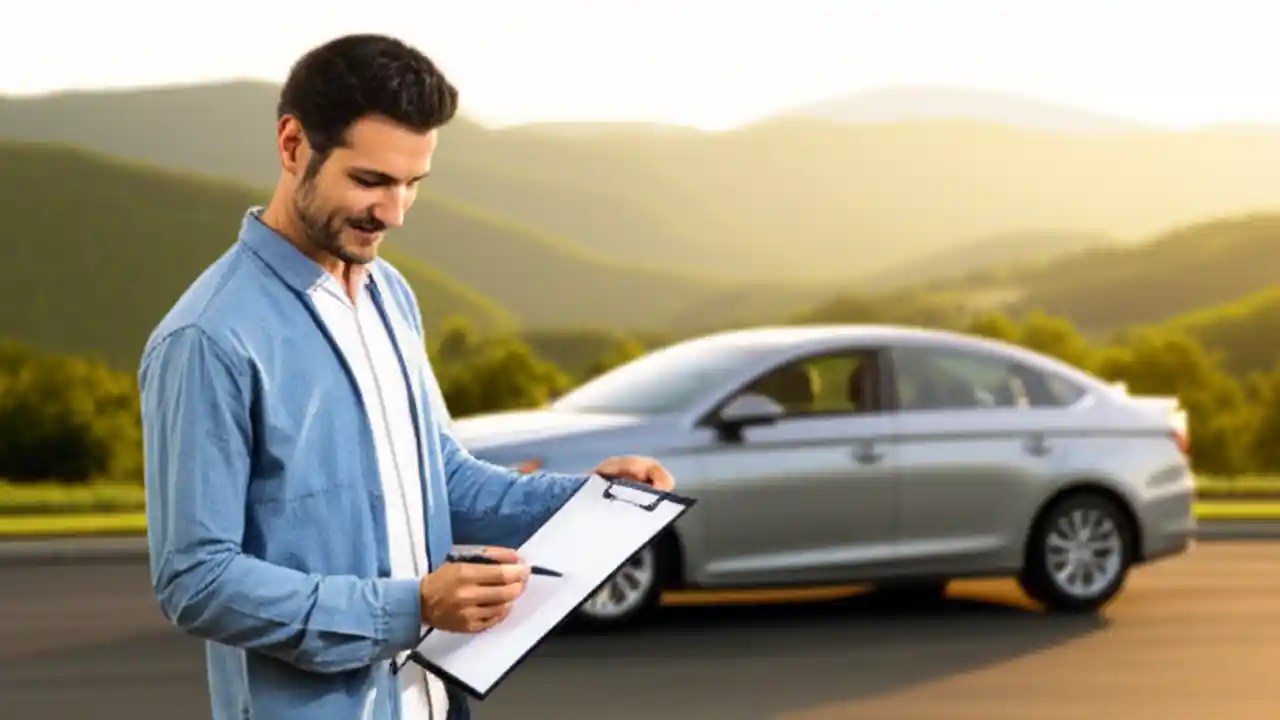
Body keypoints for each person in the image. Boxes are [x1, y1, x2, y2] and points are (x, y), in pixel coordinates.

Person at [137, 33, 675, 720]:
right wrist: (410, 607)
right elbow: (196, 580)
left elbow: (440, 480)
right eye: (370, 181)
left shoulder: (390, 294)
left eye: (411, 185)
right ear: (293, 144)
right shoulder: (208, 338)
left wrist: (592, 498)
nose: (392, 213)